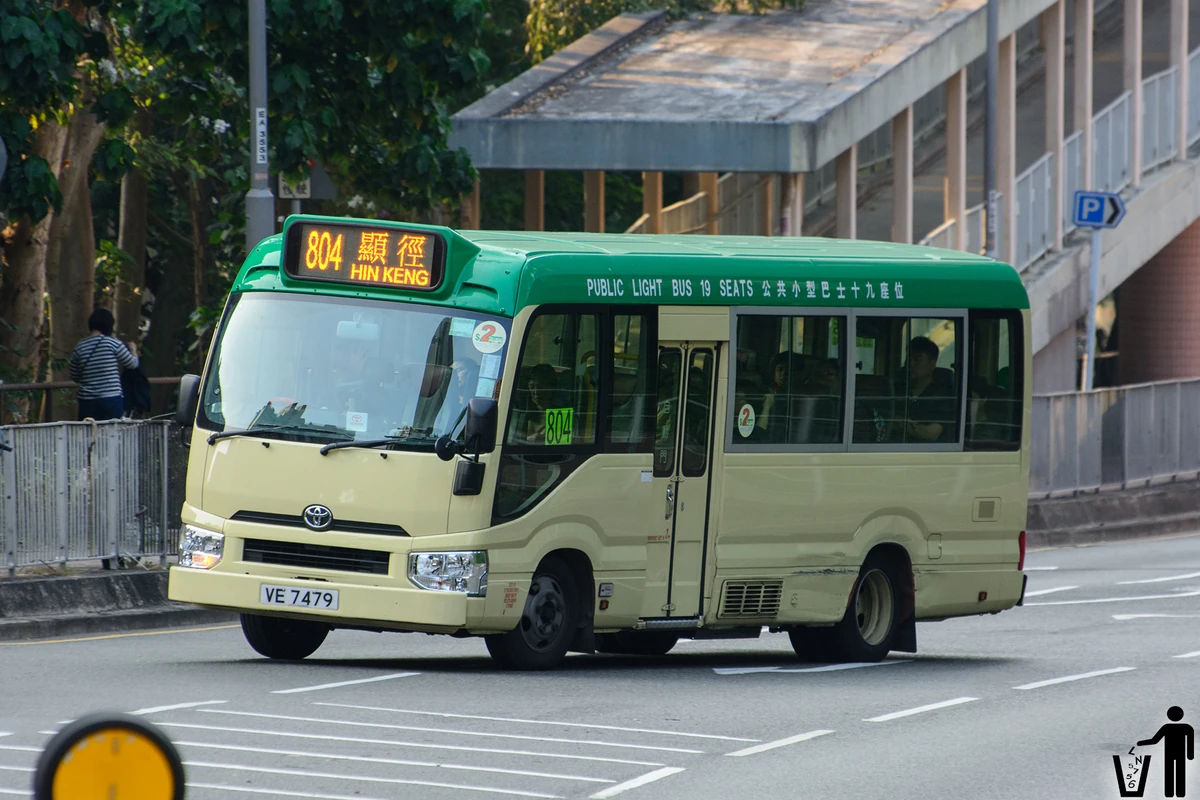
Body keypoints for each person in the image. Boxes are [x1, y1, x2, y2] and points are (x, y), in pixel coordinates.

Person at [69, 309, 139, 421]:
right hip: (111, 399)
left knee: (89, 433)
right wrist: (133, 350)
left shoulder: (80, 347)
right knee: (112, 434)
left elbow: (74, 376)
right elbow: (132, 364)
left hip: (87, 402)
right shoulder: (112, 343)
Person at [902, 336, 955, 443]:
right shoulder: (897, 391)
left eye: (917, 360)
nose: (910, 364)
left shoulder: (942, 397)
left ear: (932, 364)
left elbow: (932, 433)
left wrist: (902, 425)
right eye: (908, 359)